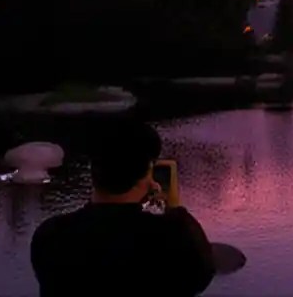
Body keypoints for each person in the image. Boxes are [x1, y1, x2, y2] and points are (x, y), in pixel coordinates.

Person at [31, 119, 215, 296]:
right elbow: (201, 275)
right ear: (147, 172)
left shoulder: (51, 235)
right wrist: (174, 207)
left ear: (93, 170)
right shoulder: (172, 237)